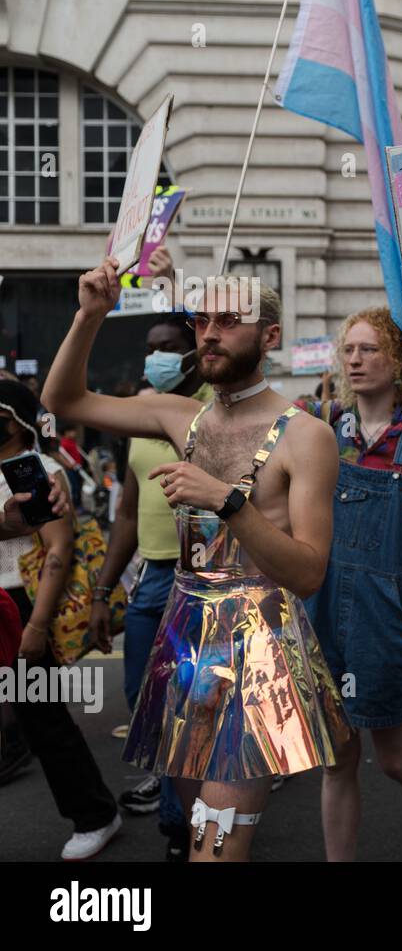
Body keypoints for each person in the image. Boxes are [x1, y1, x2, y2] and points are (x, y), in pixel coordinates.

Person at [45, 260, 351, 862]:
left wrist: (227, 501)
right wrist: (89, 316)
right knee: (198, 836)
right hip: (183, 640)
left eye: (228, 320)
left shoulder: (305, 435)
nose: (209, 332)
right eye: (201, 320)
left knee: (216, 847)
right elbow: (63, 399)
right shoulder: (178, 415)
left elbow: (308, 572)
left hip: (259, 647)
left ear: (269, 336)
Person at [296, 307, 402, 861]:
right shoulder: (320, 428)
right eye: (349, 349)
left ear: (398, 362)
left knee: (394, 758)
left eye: (370, 349)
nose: (355, 359)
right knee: (337, 760)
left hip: (384, 619)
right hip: (320, 614)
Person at [89, 307, 212, 860]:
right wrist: (102, 590)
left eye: (166, 346)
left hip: (205, 574)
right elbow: (128, 515)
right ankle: (182, 795)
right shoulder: (138, 414)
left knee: (191, 705)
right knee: (143, 698)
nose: (154, 358)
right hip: (153, 576)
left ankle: (180, 827)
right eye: (149, 348)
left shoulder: (219, 409)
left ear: (193, 352)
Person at [0, 381, 122, 859]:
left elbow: (57, 553)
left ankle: (95, 815)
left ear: (19, 420)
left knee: (45, 718)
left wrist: (35, 628)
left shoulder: (41, 471)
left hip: (25, 605)